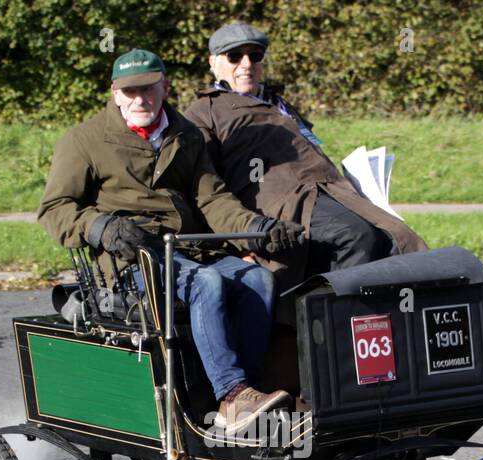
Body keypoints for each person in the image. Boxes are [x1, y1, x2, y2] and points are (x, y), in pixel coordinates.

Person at [38, 49, 307, 432]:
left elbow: (212, 200)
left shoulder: (185, 134)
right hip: (130, 263)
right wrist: (102, 228)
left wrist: (258, 229)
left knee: (257, 279)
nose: (139, 99)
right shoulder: (84, 141)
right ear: (115, 94)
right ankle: (231, 396)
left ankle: (250, 391)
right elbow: (54, 209)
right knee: (206, 283)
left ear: (164, 88)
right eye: (129, 92)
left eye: (148, 89)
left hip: (188, 250)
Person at [184, 22, 427, 291]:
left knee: (397, 237)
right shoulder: (204, 111)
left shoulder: (278, 103)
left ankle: (393, 324)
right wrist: (233, 244)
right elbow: (204, 186)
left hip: (330, 190)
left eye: (255, 56)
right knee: (355, 235)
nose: (246, 64)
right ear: (212, 63)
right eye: (234, 56)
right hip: (279, 202)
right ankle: (343, 324)